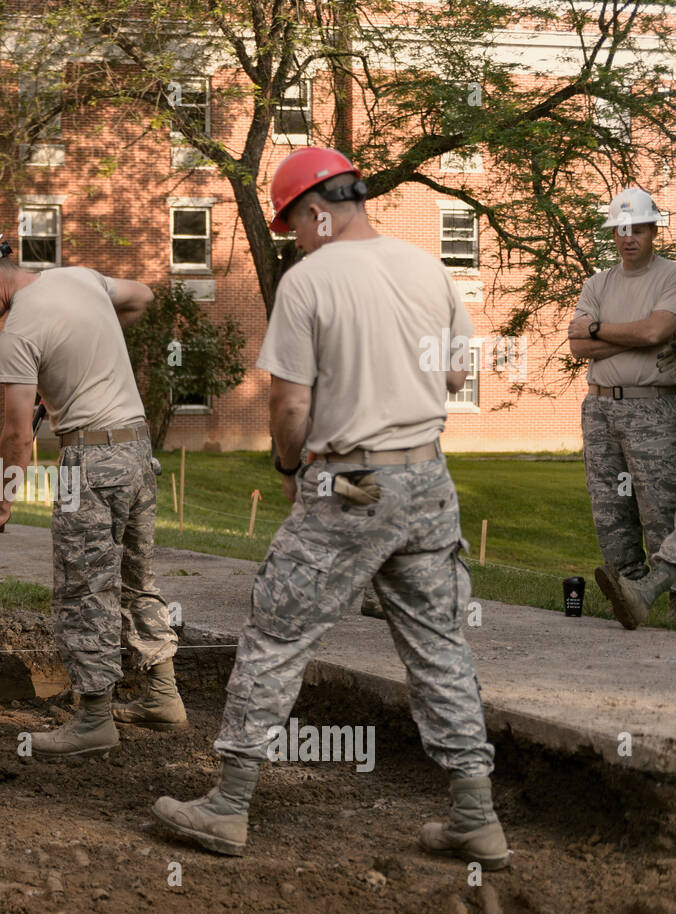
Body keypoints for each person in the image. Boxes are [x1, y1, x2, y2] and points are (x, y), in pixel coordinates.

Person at [153, 146, 509, 867]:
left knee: (278, 630)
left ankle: (227, 807)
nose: (294, 241)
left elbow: (289, 402)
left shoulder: (311, 280)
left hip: (352, 483)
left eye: (292, 228)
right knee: (439, 641)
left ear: (318, 211)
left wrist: (290, 465)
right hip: (428, 484)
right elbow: (453, 370)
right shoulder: (429, 269)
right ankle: (476, 814)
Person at [0, 223, 184, 756]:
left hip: (88, 461)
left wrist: (3, 503)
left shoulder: (18, 332)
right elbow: (144, 297)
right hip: (137, 451)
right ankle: (162, 695)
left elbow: (16, 434)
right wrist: (84, 354)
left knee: (83, 587)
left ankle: (94, 720)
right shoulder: (79, 278)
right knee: (137, 576)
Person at [569, 188, 676, 628]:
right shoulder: (598, 283)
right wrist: (618, 337)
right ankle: (628, 594)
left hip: (652, 409)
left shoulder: (670, 277)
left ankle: (666, 601)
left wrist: (600, 335)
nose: (628, 237)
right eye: (620, 229)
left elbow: (656, 332)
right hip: (599, 410)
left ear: (654, 230)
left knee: (658, 510)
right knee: (611, 511)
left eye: (637, 228)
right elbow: (577, 344)